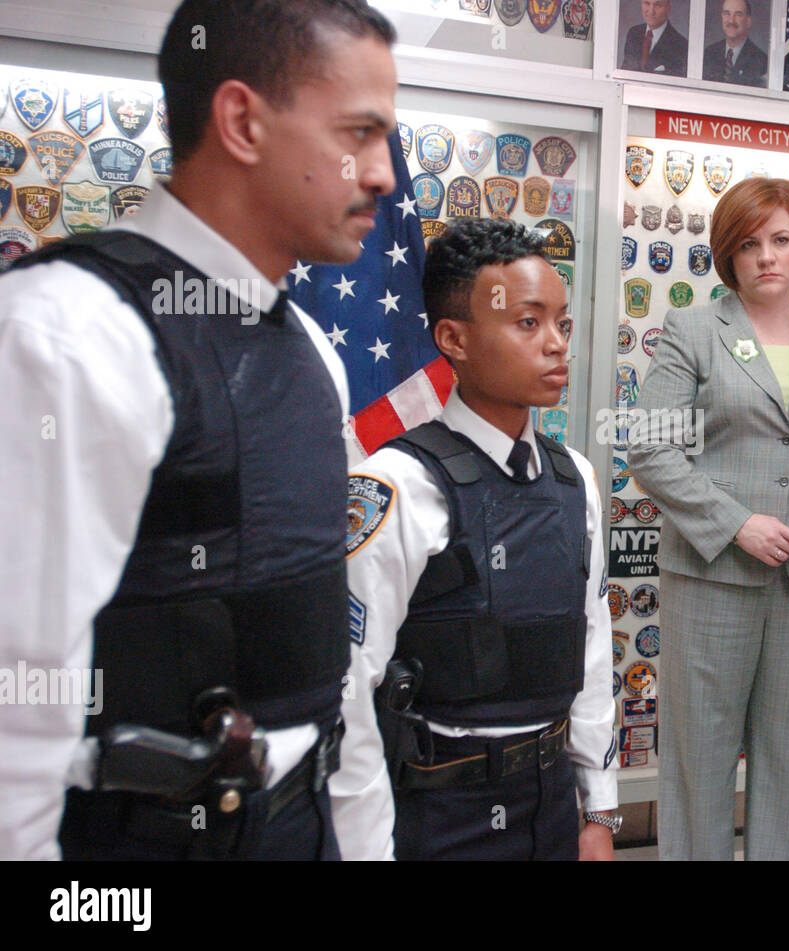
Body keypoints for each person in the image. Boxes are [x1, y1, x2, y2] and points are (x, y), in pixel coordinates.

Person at [0, 0, 399, 860]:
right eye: (359, 135)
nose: (384, 175)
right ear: (242, 122)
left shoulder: (309, 353)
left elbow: (327, 665)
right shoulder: (67, 335)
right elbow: (13, 705)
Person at [330, 218, 619, 861]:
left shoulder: (576, 479)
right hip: (438, 811)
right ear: (453, 339)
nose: (555, 345)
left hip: (549, 804)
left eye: (562, 323)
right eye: (527, 322)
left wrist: (598, 808)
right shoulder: (397, 486)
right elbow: (347, 688)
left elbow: (592, 647)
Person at [628, 177, 789, 860]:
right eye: (749, 243)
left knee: (788, 757)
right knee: (699, 759)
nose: (767, 256)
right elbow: (649, 445)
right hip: (713, 575)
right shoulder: (693, 329)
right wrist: (736, 522)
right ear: (729, 255)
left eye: (781, 239)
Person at [702, 0, 768, 87]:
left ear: (748, 21)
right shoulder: (709, 53)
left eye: (738, 14)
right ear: (722, 17)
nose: (731, 21)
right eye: (727, 13)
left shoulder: (761, 61)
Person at [621, 0, 689, 77]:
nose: (651, 11)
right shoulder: (633, 33)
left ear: (668, 8)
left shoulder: (680, 45)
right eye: (647, 3)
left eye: (658, 5)